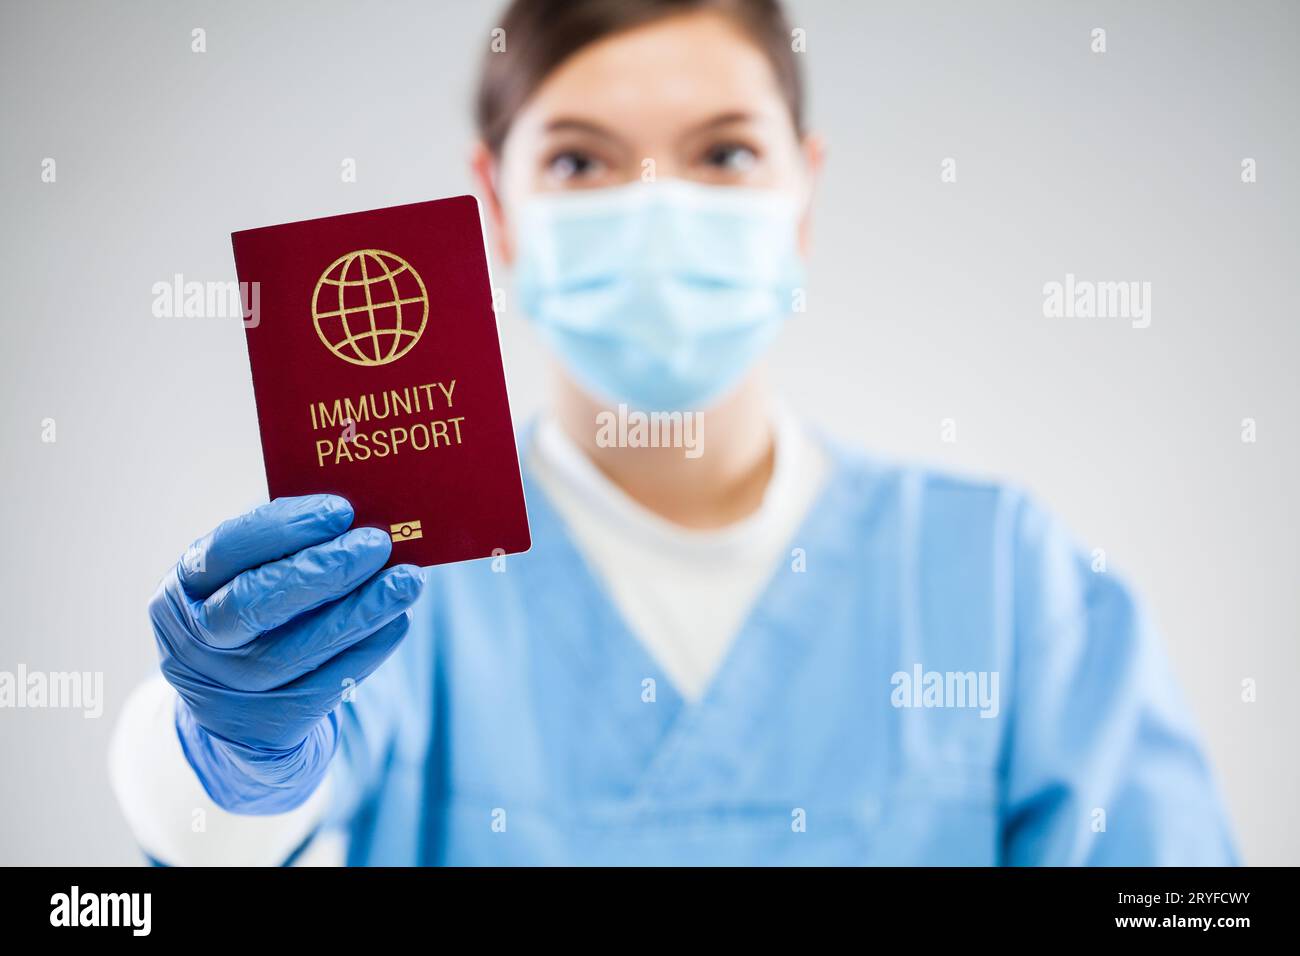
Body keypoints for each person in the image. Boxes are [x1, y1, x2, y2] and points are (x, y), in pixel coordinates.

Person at [110, 0, 1237, 866]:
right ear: (495, 204)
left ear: (804, 187)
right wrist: (232, 746)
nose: (655, 204)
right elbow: (223, 829)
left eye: (725, 153)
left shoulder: (997, 574)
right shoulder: (413, 562)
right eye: (580, 160)